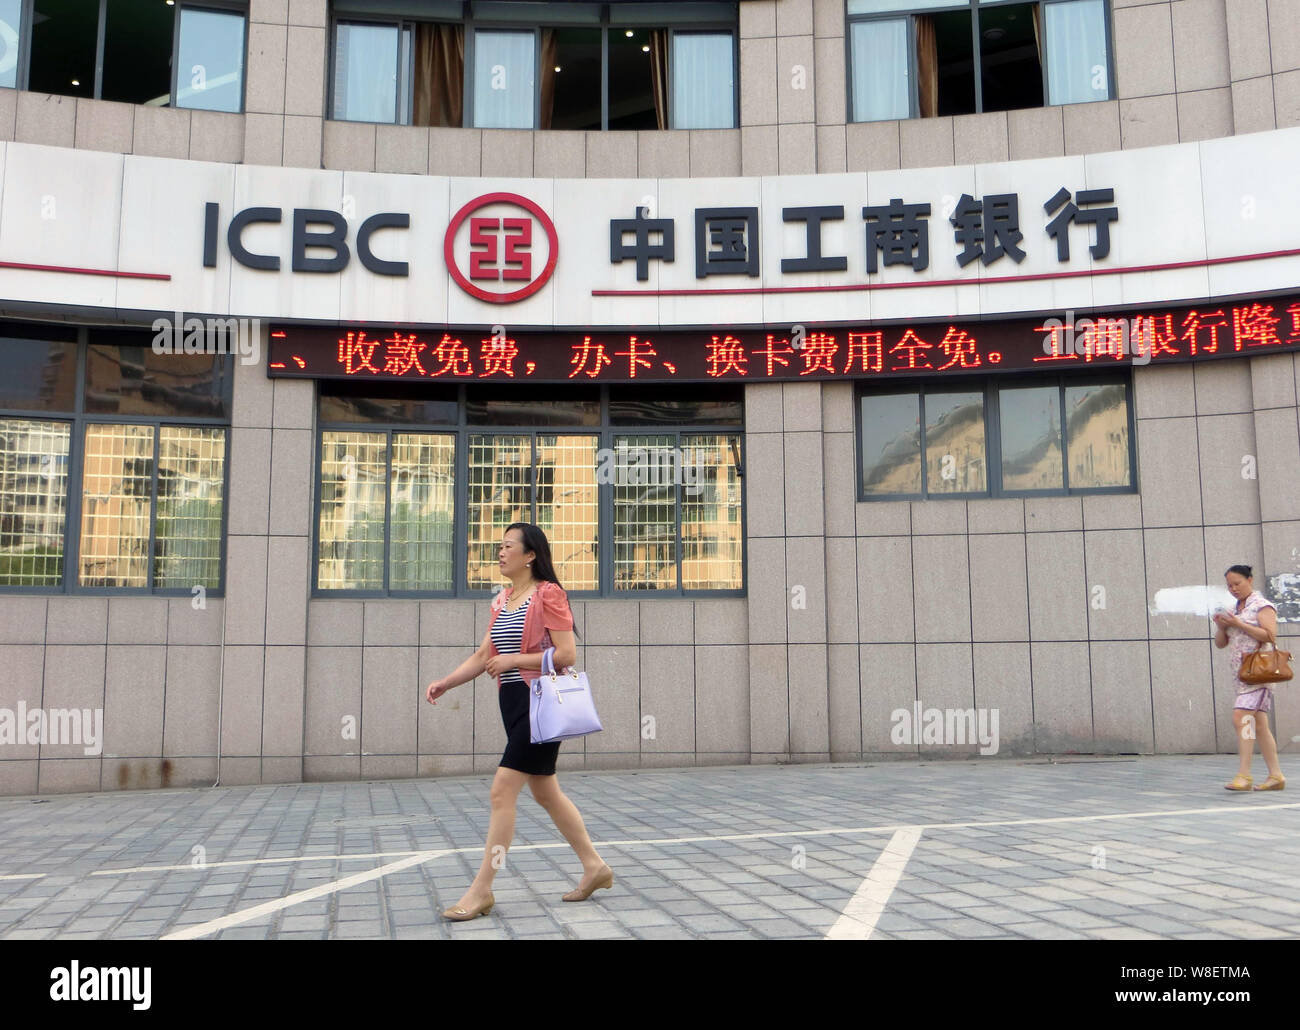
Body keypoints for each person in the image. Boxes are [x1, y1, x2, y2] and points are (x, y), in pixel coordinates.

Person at [425, 522, 613, 920]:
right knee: (545, 792)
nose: (500, 551)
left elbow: (566, 655)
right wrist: (447, 682)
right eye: (499, 546)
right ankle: (595, 866)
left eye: (508, 546)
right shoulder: (502, 599)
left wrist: (515, 660)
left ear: (530, 555)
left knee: (501, 791)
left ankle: (482, 890)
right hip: (512, 703)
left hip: (540, 702)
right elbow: (483, 656)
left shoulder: (549, 594)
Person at [1213, 564, 1285, 792]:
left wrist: (1239, 624)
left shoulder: (1262, 605)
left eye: (1237, 583)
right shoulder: (1234, 608)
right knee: (1260, 726)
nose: (1233, 589)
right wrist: (1222, 627)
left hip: (1259, 674)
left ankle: (1244, 775)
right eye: (1230, 585)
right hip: (1242, 676)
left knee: (1241, 717)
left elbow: (1270, 635)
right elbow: (1221, 644)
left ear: (1250, 580)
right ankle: (1276, 776)